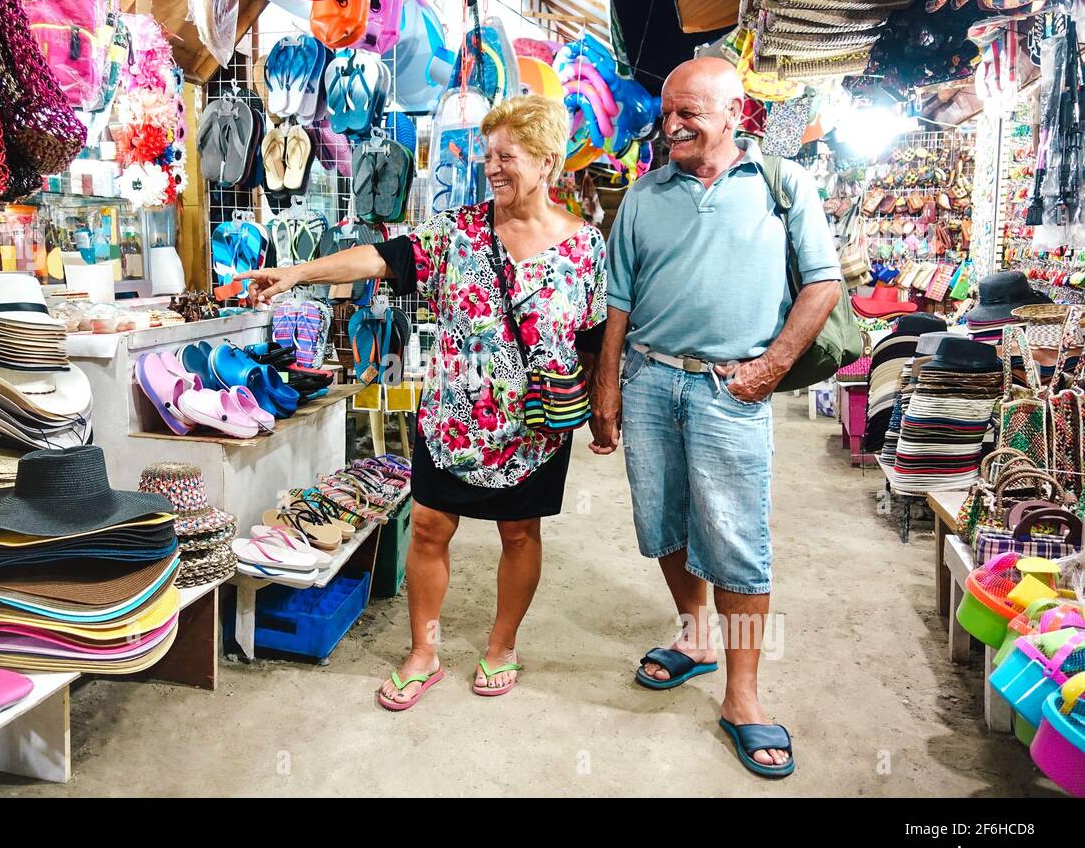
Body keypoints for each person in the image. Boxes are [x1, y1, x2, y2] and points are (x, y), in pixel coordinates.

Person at [247, 95, 608, 710]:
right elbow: (381, 258)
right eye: (488, 156)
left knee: (520, 534)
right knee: (431, 529)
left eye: (506, 156)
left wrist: (600, 404)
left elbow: (595, 336)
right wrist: (299, 273)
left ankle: (501, 646)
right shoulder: (458, 231)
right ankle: (424, 651)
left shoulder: (586, 246)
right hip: (453, 418)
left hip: (537, 423)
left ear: (547, 161)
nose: (491, 168)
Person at [589, 58, 842, 778]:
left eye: (689, 112)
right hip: (648, 381)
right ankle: (695, 635)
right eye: (667, 111)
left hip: (731, 390)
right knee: (662, 520)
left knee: (735, 537)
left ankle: (743, 695)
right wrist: (607, 381)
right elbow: (618, 296)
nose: (671, 125)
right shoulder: (644, 194)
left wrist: (770, 369)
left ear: (735, 112)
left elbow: (823, 284)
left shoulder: (781, 184)